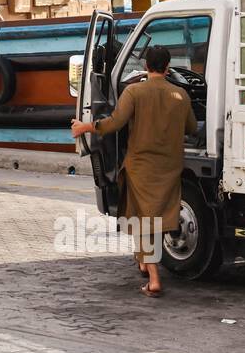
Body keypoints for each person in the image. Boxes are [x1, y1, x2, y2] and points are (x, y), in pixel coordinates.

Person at [71, 44, 197, 297]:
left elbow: (115, 123)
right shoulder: (181, 95)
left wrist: (85, 127)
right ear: (167, 66)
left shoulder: (134, 92)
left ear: (146, 66)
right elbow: (192, 128)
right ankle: (143, 262)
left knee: (142, 220)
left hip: (141, 166)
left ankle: (153, 279)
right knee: (157, 217)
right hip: (170, 167)